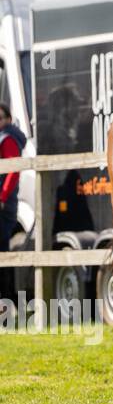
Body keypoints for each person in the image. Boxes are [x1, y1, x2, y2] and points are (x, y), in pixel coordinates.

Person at [0, 104, 26, 308]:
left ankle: (6, 303)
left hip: (3, 205)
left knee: (3, 255)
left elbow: (13, 170)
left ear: (8, 119)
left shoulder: (7, 138)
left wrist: (1, 197)